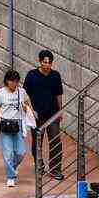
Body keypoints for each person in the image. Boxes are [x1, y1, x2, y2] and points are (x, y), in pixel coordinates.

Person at [24, 49, 65, 180]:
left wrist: (60, 110)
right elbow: (26, 95)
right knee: (37, 143)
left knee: (56, 141)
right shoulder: (31, 75)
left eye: (49, 63)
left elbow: (59, 94)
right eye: (45, 62)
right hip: (37, 116)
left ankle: (55, 169)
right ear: (40, 61)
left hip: (52, 114)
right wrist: (30, 110)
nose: (47, 65)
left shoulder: (55, 76)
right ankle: (39, 166)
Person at [0, 69, 30, 187]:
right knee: (8, 152)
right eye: (12, 81)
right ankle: (10, 176)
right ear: (7, 81)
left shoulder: (21, 92)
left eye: (17, 82)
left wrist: (28, 109)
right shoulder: (0, 92)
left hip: (17, 125)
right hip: (5, 125)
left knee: (21, 152)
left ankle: (11, 167)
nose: (15, 84)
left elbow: (27, 102)